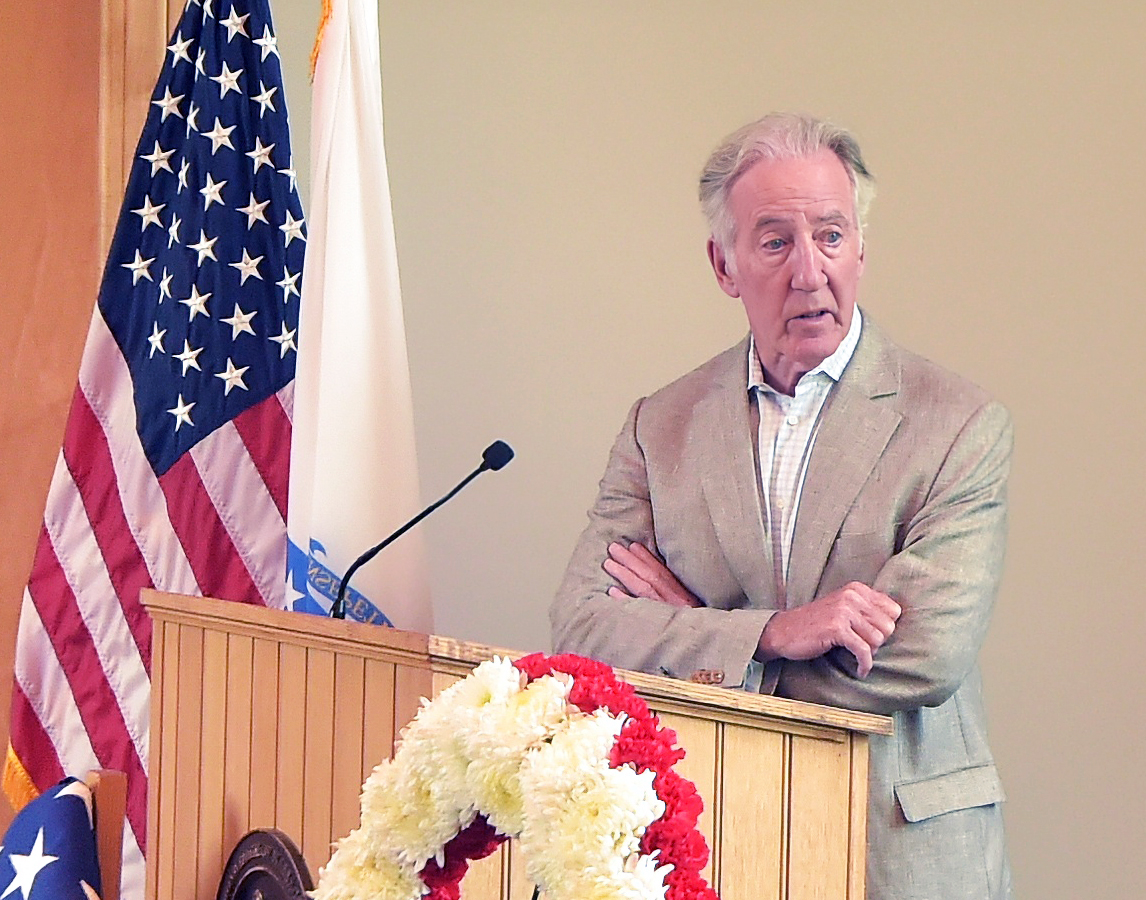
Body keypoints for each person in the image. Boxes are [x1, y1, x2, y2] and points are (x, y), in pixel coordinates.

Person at [550, 112, 1013, 900]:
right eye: (775, 242)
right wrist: (775, 633)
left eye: (831, 236)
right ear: (723, 265)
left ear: (861, 248)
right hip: (717, 841)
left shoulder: (959, 423)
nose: (809, 271)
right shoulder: (658, 425)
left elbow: (925, 652)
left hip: (903, 857)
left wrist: (705, 645)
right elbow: (581, 627)